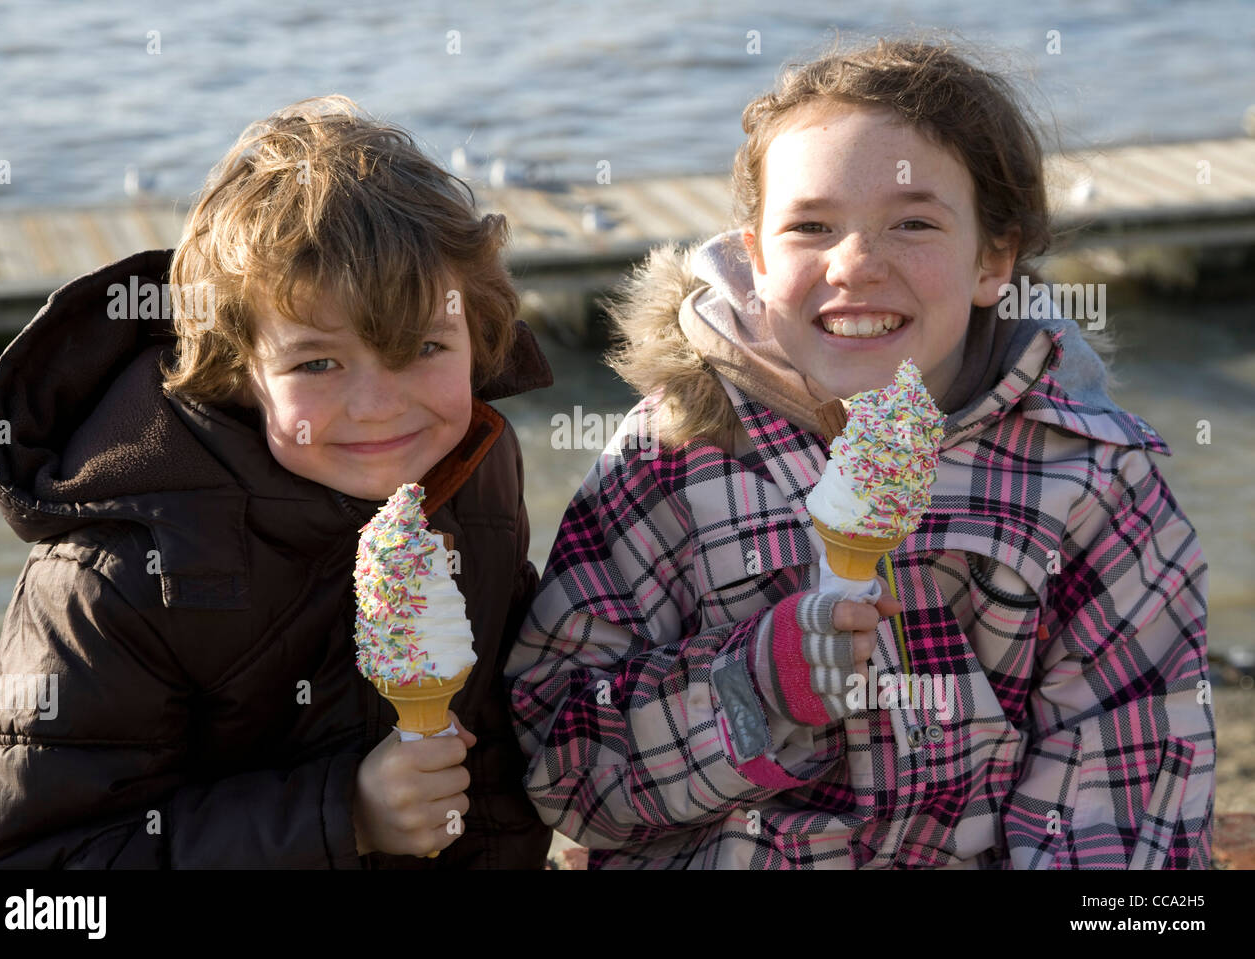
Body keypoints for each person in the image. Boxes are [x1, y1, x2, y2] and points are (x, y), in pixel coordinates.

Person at [507, 39, 1213, 869]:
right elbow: (557, 763)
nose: (856, 264)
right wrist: (757, 682)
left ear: (994, 259)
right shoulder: (675, 453)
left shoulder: (1091, 479)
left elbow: (1131, 782)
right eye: (811, 226)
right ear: (759, 258)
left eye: (912, 222)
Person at [0, 96, 554, 868]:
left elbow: (499, 743)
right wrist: (339, 817)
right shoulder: (114, 578)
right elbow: (34, 886)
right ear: (237, 368)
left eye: (425, 346)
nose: (379, 407)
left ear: (480, 337)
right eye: (317, 361)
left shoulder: (475, 470)